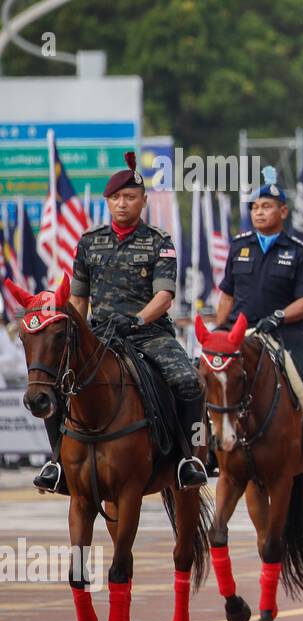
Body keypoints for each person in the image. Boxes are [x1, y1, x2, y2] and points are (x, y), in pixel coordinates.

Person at [34, 152, 207, 493]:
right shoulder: (89, 242)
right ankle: (56, 462)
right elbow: (79, 299)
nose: (122, 203)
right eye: (116, 198)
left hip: (150, 334)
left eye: (129, 197)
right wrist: (74, 331)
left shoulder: (159, 242)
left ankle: (188, 458)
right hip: (99, 335)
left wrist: (138, 320)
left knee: (189, 382)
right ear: (108, 202)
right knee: (52, 385)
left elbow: (164, 297)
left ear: (143, 200)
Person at [215, 167, 303, 467]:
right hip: (240, 333)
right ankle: (204, 443)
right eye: (255, 207)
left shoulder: (297, 250)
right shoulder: (239, 246)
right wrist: (219, 329)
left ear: (283, 211)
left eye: (266, 207)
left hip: (284, 332)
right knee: (205, 370)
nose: (259, 213)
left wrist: (279, 316)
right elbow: (227, 294)